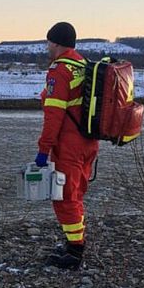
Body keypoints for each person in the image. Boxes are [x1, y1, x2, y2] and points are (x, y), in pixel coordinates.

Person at [35, 21, 99, 269]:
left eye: (49, 42)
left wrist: (43, 150)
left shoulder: (60, 71)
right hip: (88, 142)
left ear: (57, 43)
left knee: (64, 197)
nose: (47, 47)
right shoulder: (82, 65)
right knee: (76, 193)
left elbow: (54, 116)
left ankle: (74, 252)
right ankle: (74, 241)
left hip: (69, 145)